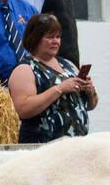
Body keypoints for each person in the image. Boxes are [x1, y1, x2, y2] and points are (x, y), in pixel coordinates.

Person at [7, 13, 96, 144]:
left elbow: (90, 105)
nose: (56, 41)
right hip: (42, 148)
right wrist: (60, 89)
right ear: (35, 39)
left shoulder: (68, 65)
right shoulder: (25, 69)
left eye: (58, 37)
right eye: (50, 37)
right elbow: (23, 109)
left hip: (76, 147)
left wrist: (90, 91)